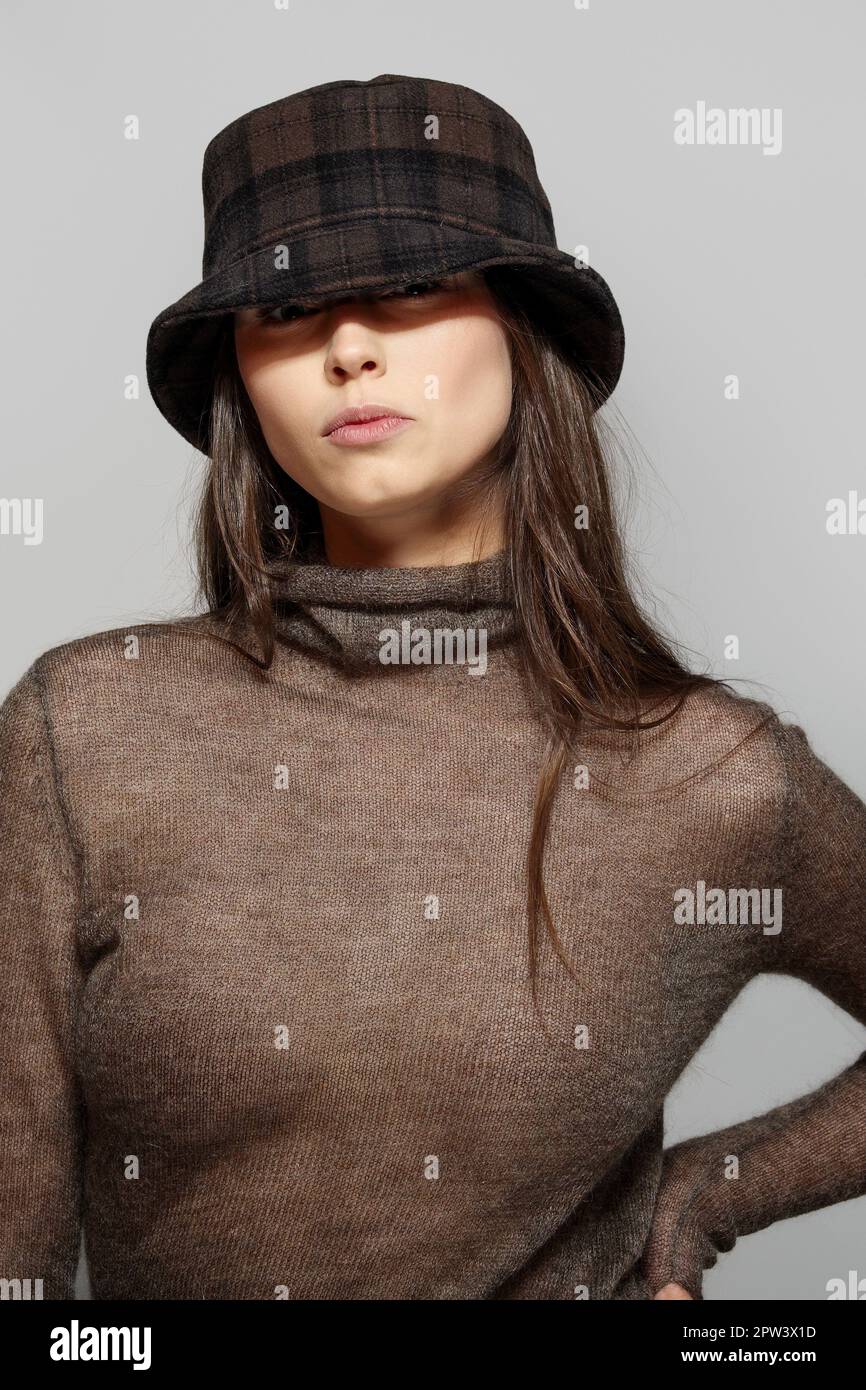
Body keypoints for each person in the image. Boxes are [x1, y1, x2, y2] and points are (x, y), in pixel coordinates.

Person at [1, 73, 864, 1303]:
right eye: (287, 305)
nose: (348, 347)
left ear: (520, 328)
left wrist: (706, 1197)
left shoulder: (708, 774)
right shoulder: (81, 734)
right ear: (239, 371)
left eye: (412, 288)